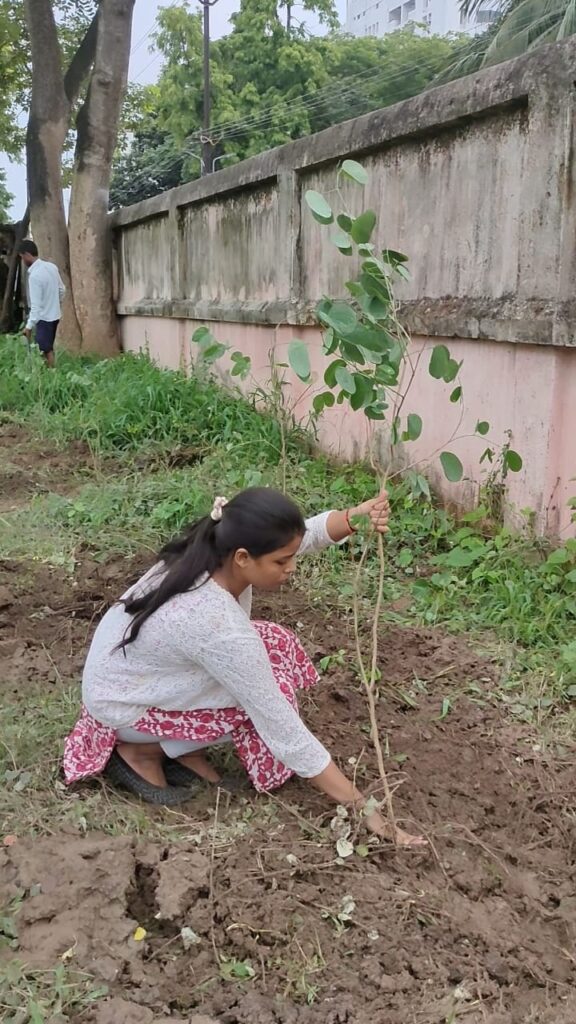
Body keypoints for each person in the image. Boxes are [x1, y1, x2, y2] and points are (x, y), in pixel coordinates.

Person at [63, 487, 426, 847]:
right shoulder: (215, 622)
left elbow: (303, 537)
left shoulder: (210, 551)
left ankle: (179, 749)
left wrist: (351, 518)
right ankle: (142, 751)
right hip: (123, 706)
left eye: (291, 557)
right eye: (282, 562)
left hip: (135, 678)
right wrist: (368, 812)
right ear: (242, 557)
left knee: (273, 646)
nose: (292, 568)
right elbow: (283, 729)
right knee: (268, 696)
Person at [19, 240, 66, 368]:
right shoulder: (52, 267)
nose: (23, 261)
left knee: (45, 350)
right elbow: (62, 290)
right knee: (46, 346)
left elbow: (36, 306)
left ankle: (51, 376)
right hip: (55, 316)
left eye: (22, 258)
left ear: (28, 254)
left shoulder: (35, 276)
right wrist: (56, 304)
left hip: (44, 318)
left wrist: (28, 326)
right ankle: (47, 374)